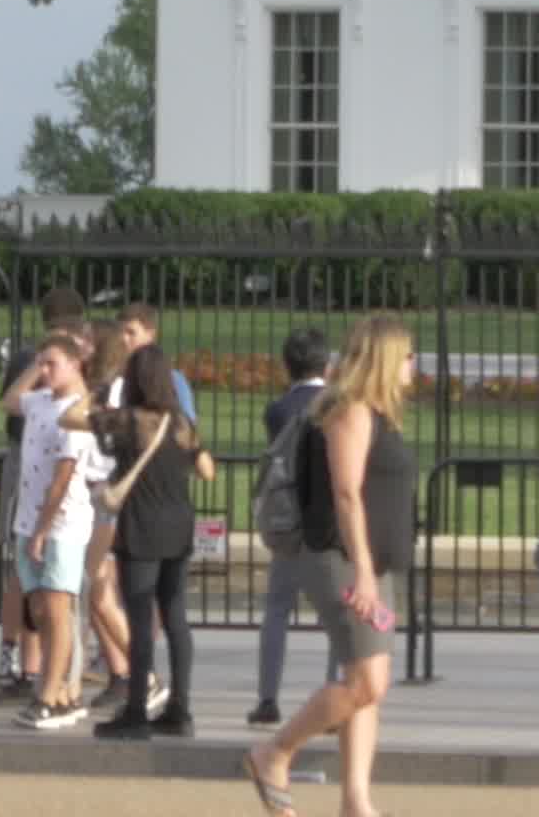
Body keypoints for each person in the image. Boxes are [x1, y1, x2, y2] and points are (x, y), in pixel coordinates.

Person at [246, 313, 417, 817]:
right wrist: (363, 570)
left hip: (375, 561)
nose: (414, 363)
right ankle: (274, 752)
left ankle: (355, 800)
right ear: (386, 358)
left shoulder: (379, 413)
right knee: (367, 682)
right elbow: (346, 495)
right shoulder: (349, 411)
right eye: (407, 354)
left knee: (365, 681)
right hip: (342, 559)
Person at [96, 340, 209, 739]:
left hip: (142, 526)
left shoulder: (127, 421)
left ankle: (137, 711)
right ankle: (181, 708)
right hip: (178, 523)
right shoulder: (181, 424)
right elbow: (205, 466)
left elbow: (75, 418)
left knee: (141, 620)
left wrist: (102, 384)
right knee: (176, 616)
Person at [12, 338, 111, 730]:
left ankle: (53, 695)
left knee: (58, 611)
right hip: (27, 519)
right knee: (39, 611)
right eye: (42, 364)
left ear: (76, 364)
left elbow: (63, 477)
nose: (45, 371)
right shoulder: (40, 401)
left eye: (53, 364)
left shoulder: (78, 412)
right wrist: (39, 365)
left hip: (62, 524)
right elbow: (12, 400)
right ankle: (61, 688)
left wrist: (42, 529)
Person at [249, 325, 337, 727]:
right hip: (328, 521)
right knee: (337, 614)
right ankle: (336, 691)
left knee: (277, 610)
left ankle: (268, 697)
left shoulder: (278, 410)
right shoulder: (335, 405)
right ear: (327, 364)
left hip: (289, 521)